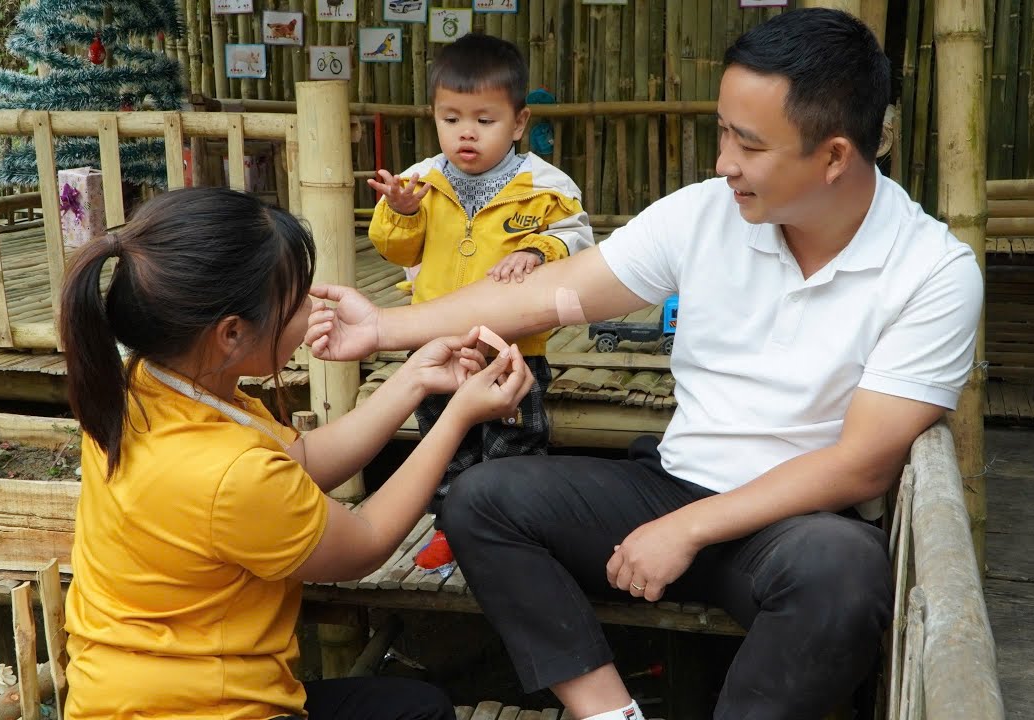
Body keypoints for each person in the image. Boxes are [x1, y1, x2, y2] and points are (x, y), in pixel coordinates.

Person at [307, 9, 983, 720]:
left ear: (835, 156)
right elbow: (544, 297)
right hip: (669, 485)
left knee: (846, 573)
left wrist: (689, 529)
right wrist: (383, 326)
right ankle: (612, 714)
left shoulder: (931, 270)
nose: (723, 162)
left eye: (748, 144)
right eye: (722, 132)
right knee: (481, 498)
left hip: (796, 525)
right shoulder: (704, 214)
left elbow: (861, 465)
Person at [57, 187, 533, 720]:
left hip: (122, 697)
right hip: (201, 709)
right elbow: (364, 543)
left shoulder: (148, 386)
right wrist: (457, 417)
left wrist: (414, 379)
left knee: (415, 707)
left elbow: (298, 462)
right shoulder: (230, 473)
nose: (313, 311)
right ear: (232, 333)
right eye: (298, 301)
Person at [366, 33, 594, 564]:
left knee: (515, 439)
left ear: (518, 123)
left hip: (513, 348)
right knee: (443, 440)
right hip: (437, 346)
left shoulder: (545, 186)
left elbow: (577, 238)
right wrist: (401, 213)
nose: (465, 132)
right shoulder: (419, 182)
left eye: (484, 120)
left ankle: (518, 526)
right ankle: (451, 526)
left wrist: (536, 250)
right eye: (450, 119)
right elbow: (395, 249)